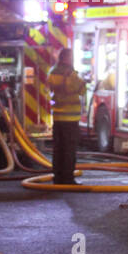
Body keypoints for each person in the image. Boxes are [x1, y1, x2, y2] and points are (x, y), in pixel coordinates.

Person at [48, 47, 85, 185]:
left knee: (58, 149)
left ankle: (57, 177)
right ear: (67, 58)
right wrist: (83, 81)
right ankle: (68, 178)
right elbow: (80, 89)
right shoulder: (70, 73)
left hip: (57, 117)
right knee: (69, 149)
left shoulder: (53, 72)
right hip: (70, 118)